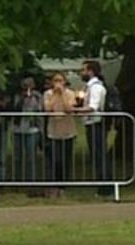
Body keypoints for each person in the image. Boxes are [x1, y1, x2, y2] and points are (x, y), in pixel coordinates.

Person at [76, 60, 113, 197]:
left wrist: (75, 111)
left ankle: (106, 187)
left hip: (96, 123)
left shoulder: (96, 87)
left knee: (100, 155)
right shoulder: (88, 87)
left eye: (83, 70)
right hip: (91, 124)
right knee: (97, 155)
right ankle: (103, 185)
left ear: (91, 71)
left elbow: (93, 107)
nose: (81, 73)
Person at [43, 71, 77, 198]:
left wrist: (62, 94)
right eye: (55, 80)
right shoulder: (47, 94)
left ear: (64, 82)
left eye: (60, 80)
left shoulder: (70, 93)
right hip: (53, 131)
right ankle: (54, 185)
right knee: (55, 159)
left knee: (65, 160)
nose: (58, 83)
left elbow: (69, 109)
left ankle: (63, 186)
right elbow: (47, 109)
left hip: (68, 131)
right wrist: (55, 95)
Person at [11, 76, 43, 184]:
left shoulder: (38, 96)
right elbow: (15, 109)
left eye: (29, 84)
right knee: (17, 157)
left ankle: (31, 181)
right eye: (25, 84)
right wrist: (22, 99)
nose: (27, 86)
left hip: (32, 129)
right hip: (18, 129)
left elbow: (39, 110)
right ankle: (17, 180)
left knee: (31, 157)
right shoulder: (17, 96)